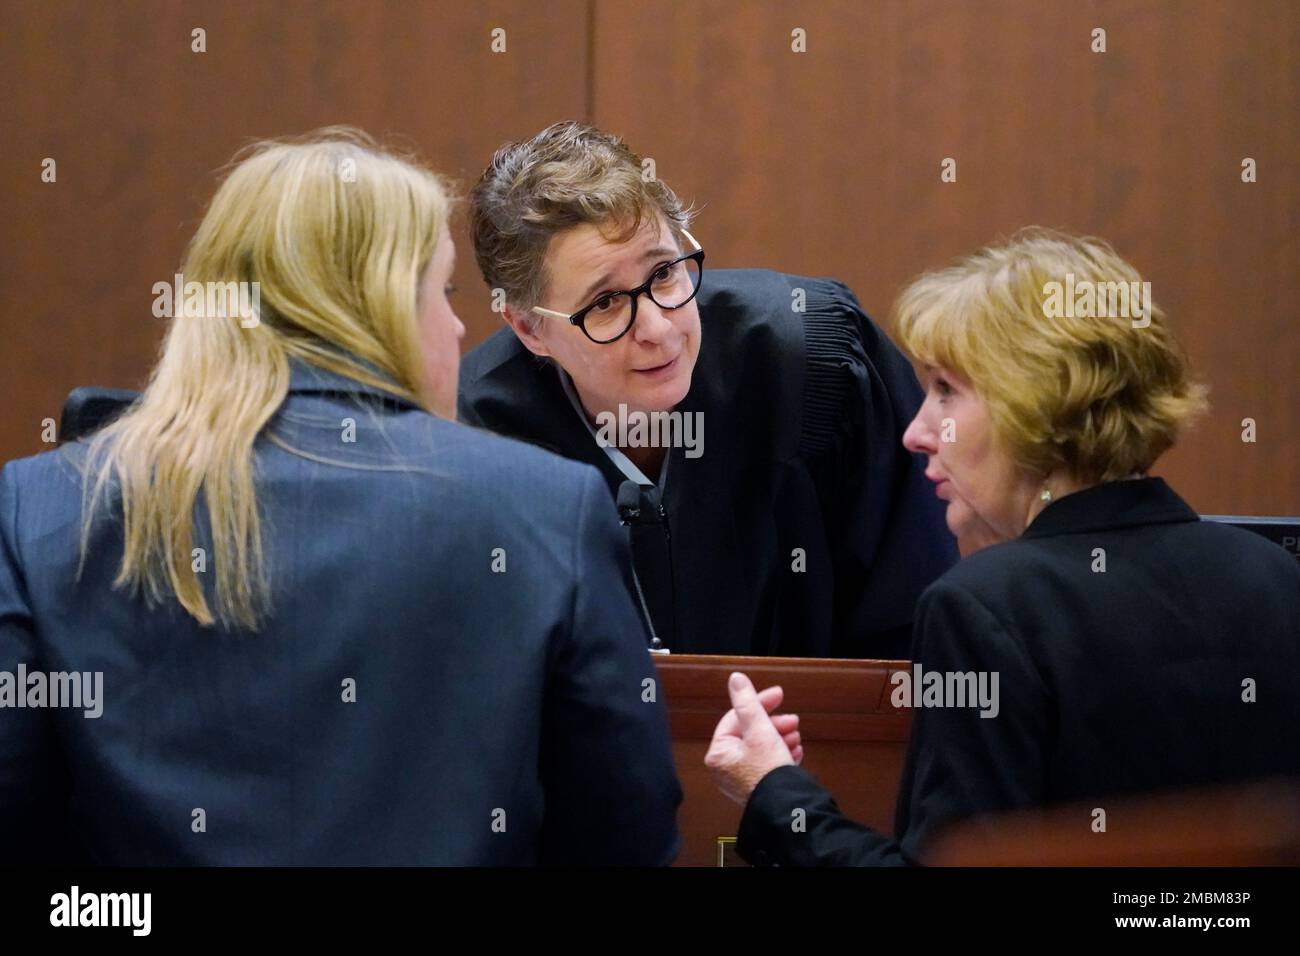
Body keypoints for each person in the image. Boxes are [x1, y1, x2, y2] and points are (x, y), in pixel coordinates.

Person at [0, 129, 681, 865]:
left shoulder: (33, 509)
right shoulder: (547, 510)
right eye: (443, 292)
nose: (458, 327)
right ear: (385, 303)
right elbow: (626, 835)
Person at [704, 228, 1300, 865]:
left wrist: (775, 793)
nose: (915, 433)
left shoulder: (983, 606)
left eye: (945, 391)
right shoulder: (1270, 573)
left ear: (1035, 405)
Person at [458, 122, 957, 659]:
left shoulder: (813, 362)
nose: (658, 328)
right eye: (605, 304)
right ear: (530, 328)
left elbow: (913, 616)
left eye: (665, 273)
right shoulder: (480, 439)